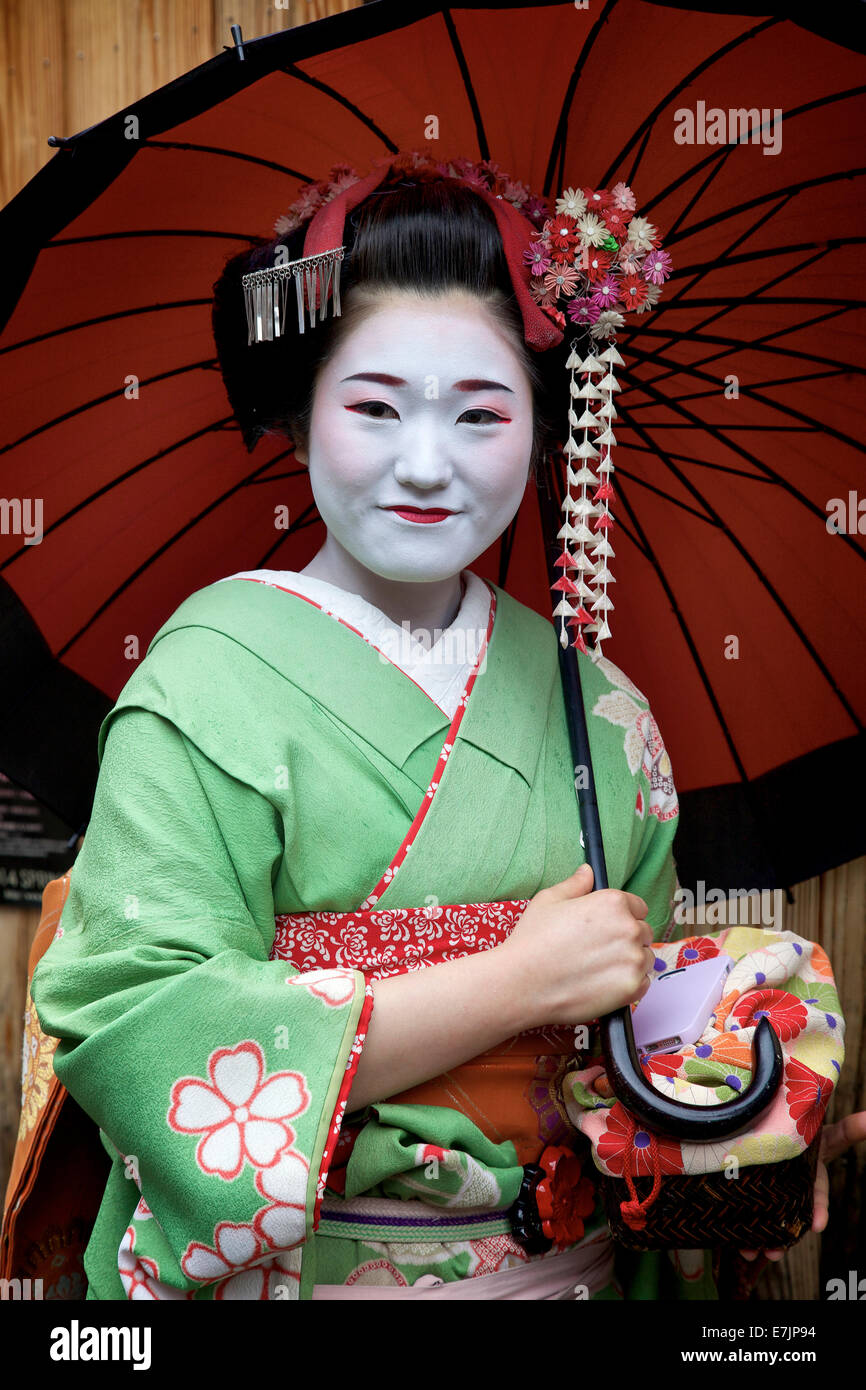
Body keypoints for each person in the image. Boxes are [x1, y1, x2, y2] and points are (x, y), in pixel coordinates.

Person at [25, 163, 840, 1301]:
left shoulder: (599, 710)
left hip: (572, 1272)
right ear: (302, 399)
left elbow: (627, 1056)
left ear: (544, 423)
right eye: (371, 405)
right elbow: (138, 1022)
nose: (424, 462)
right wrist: (512, 985)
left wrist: (724, 1139)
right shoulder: (206, 681)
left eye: (479, 411)